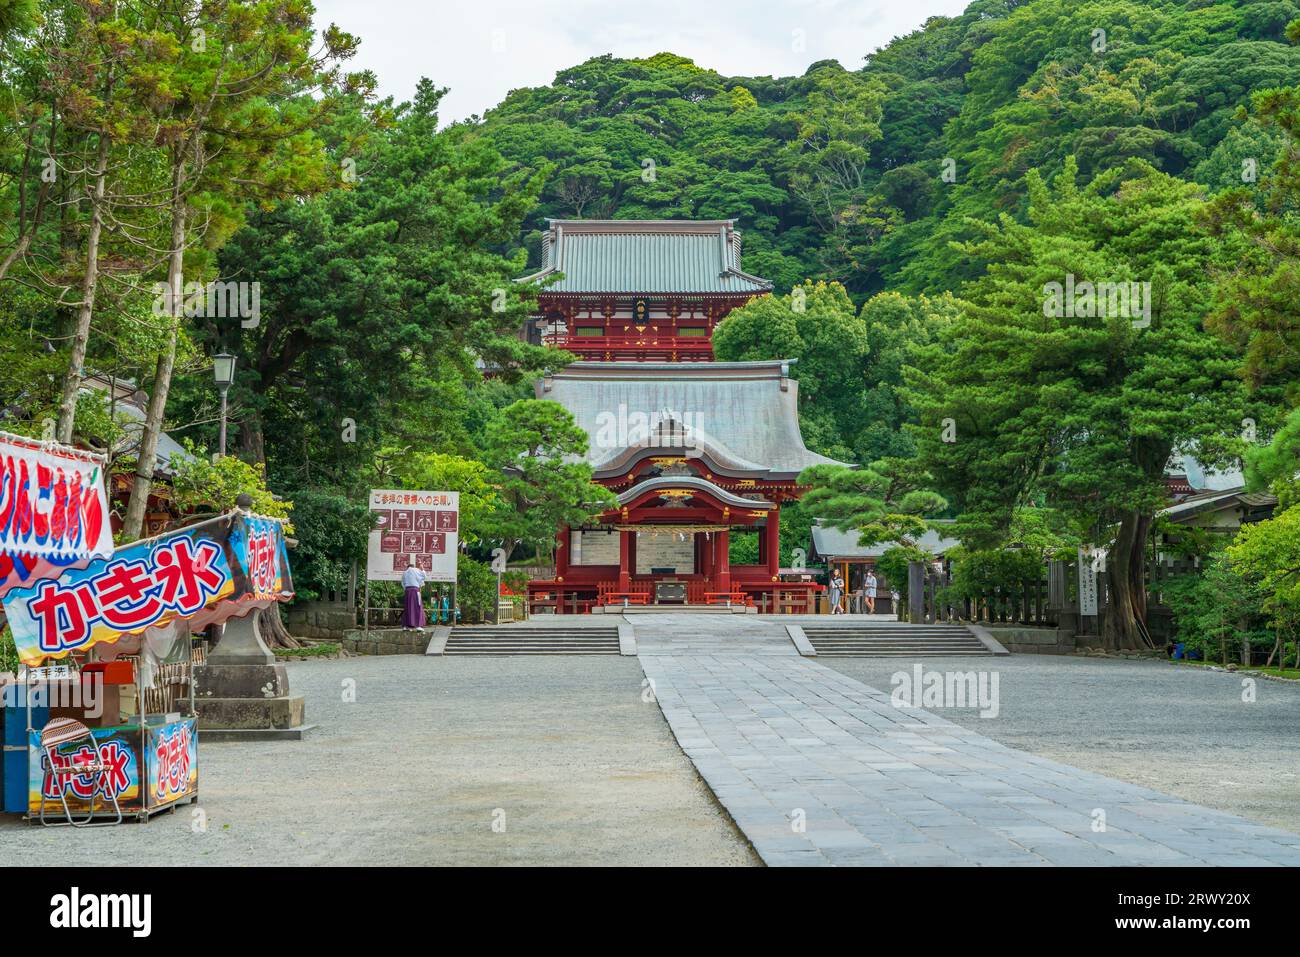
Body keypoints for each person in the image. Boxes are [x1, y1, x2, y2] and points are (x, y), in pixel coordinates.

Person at [401, 559, 427, 629]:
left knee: (407, 608)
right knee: (417, 607)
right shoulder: (416, 570)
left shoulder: (405, 572)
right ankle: (418, 626)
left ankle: (406, 626)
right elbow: (424, 577)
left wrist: (407, 589)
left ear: (408, 567)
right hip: (415, 591)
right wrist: (422, 568)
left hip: (407, 591)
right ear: (413, 566)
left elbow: (403, 584)